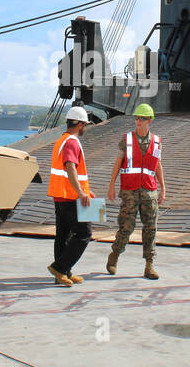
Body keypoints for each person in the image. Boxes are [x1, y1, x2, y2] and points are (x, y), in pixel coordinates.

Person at [105, 103, 166, 280]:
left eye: (142, 119)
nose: (138, 121)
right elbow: (118, 162)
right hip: (130, 191)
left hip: (149, 192)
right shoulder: (126, 140)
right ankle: (114, 255)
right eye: (137, 118)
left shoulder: (156, 141)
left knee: (151, 228)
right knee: (126, 227)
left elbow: (158, 166)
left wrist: (163, 188)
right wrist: (111, 185)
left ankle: (149, 265)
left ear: (150, 121)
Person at [48, 105, 93, 287]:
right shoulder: (72, 142)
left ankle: (63, 273)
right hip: (71, 197)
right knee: (84, 233)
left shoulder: (61, 140)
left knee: (63, 235)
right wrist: (82, 193)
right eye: (85, 125)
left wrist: (86, 191)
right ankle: (60, 267)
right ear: (80, 124)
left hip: (60, 195)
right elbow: (70, 167)